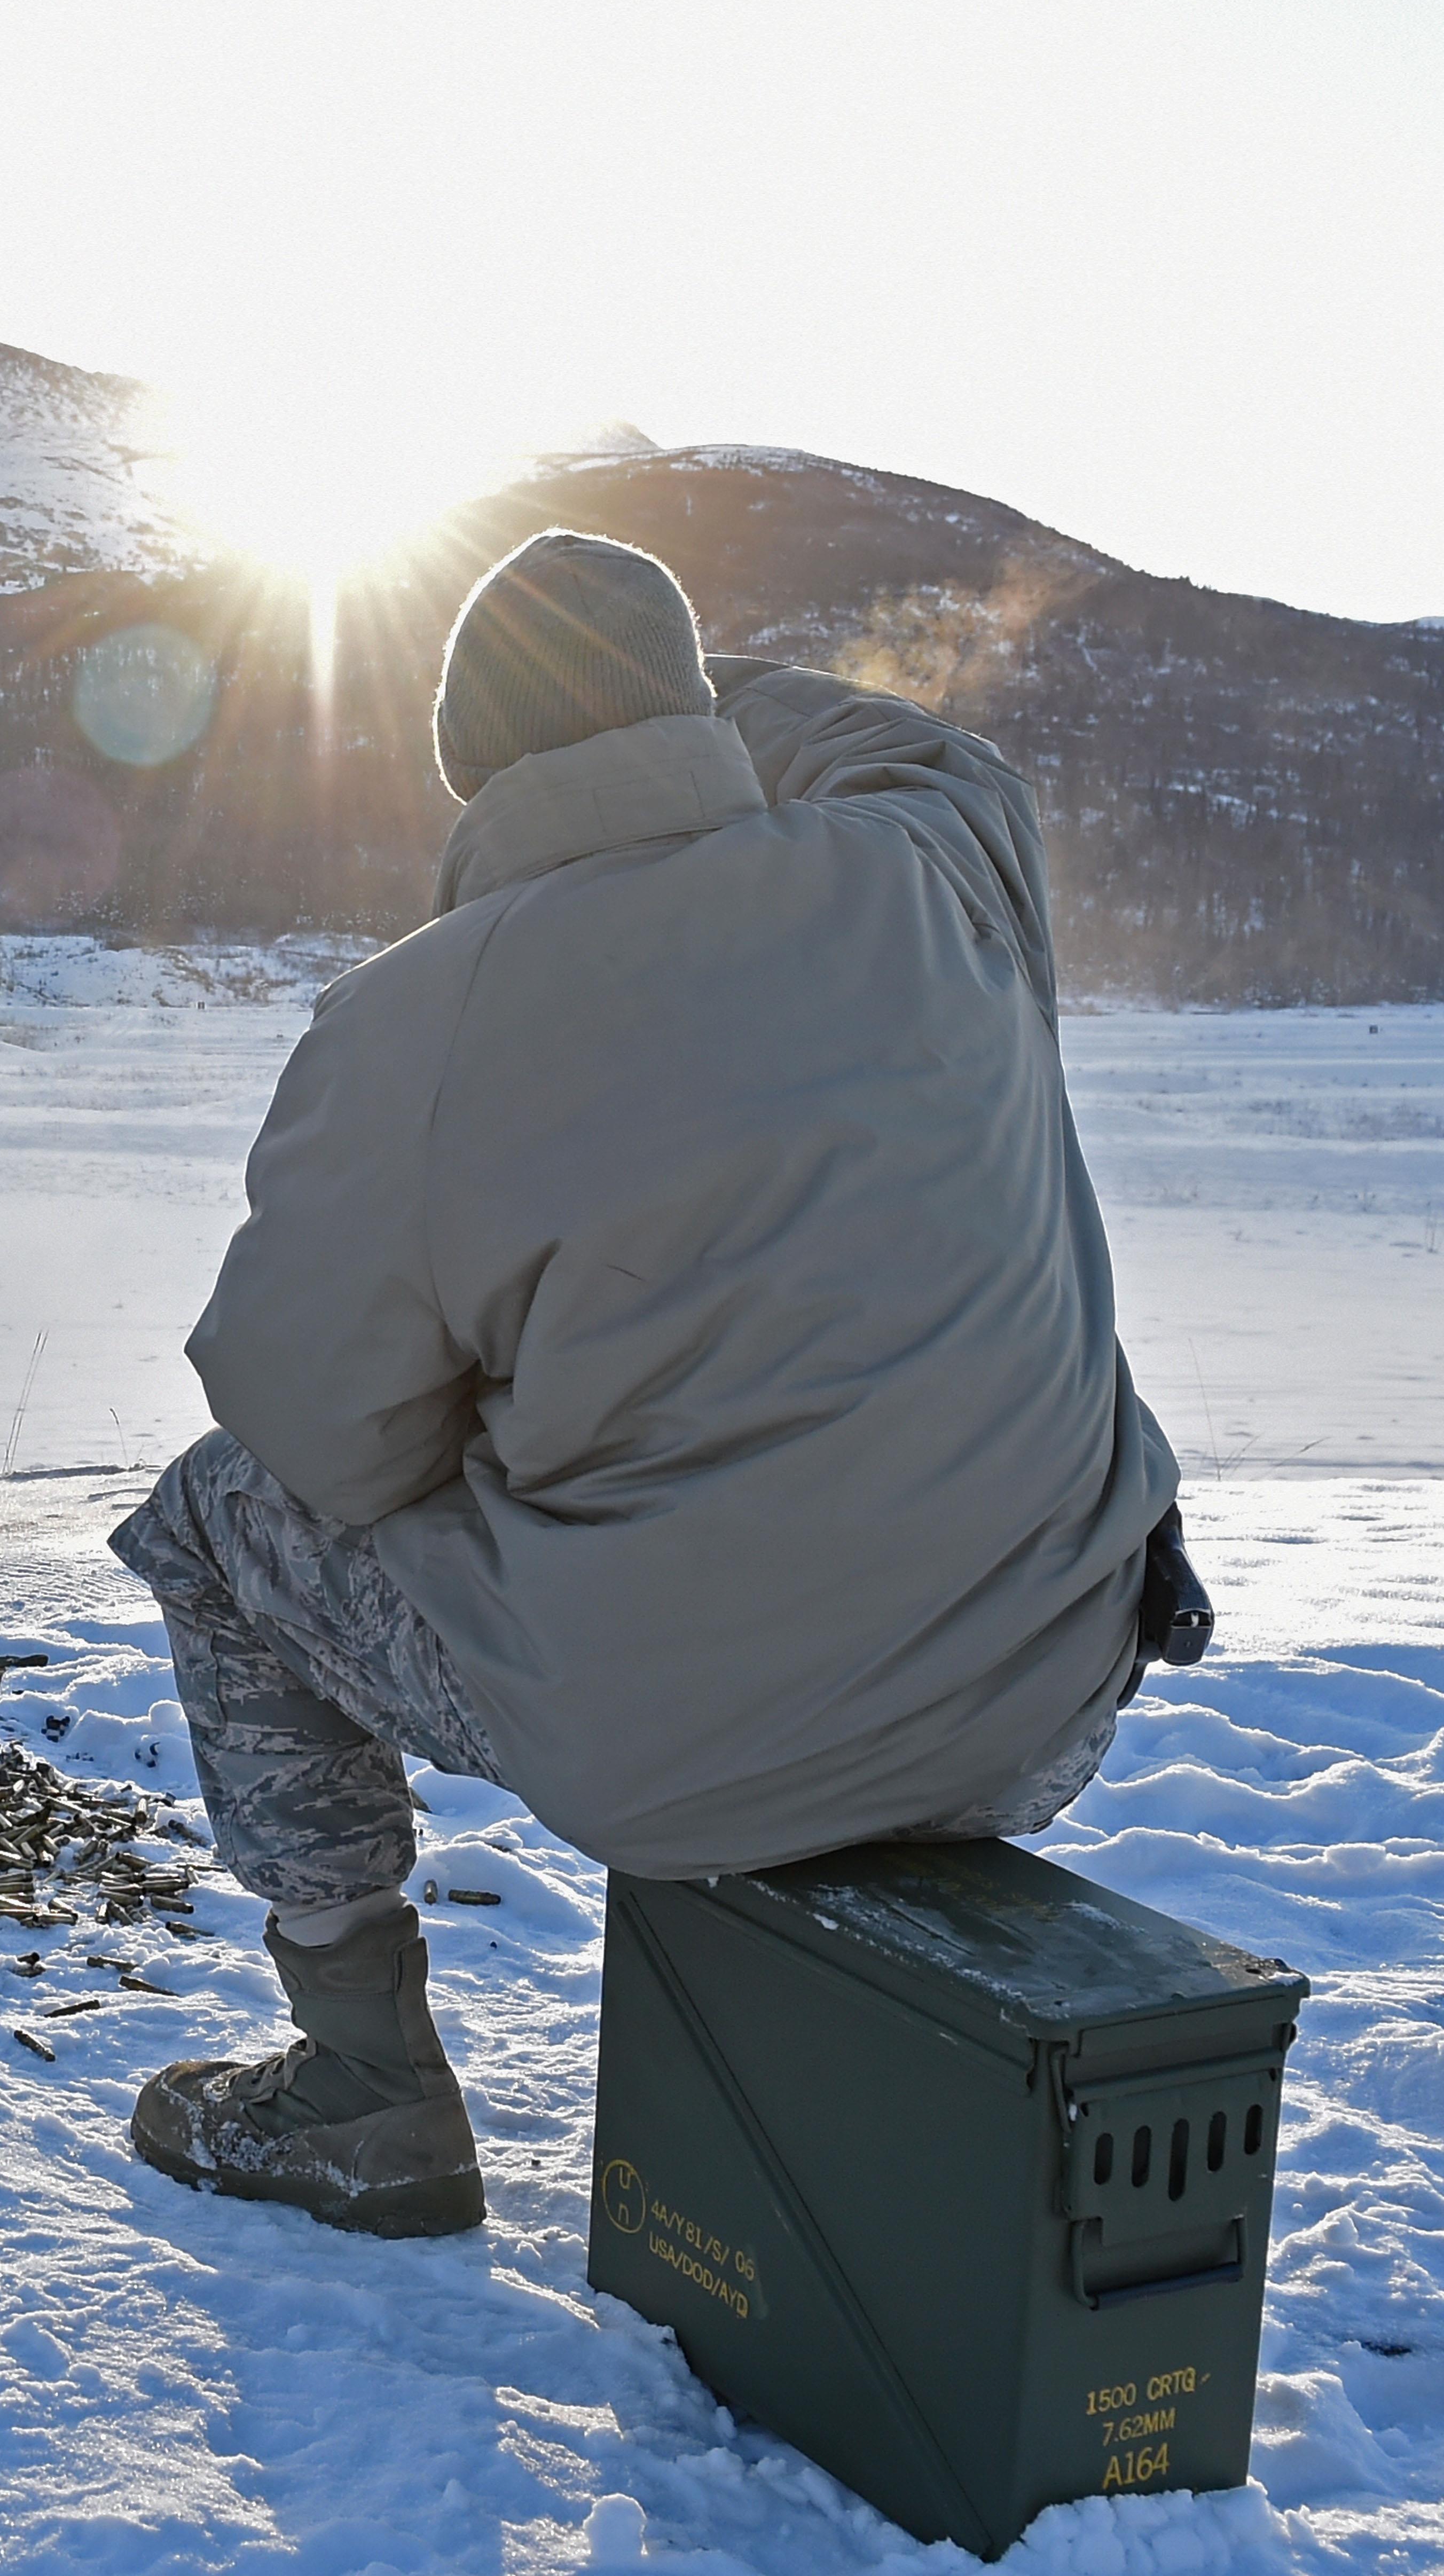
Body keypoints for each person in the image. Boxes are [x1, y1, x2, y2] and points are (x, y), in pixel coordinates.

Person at [113, 531, 1183, 2240]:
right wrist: (667, 701)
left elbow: (321, 1439)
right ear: (700, 711)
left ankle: (361, 2084)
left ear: (471, 765)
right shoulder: (936, 850)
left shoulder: (414, 1017)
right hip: (1047, 1699)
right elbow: (904, 738)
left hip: (687, 1760)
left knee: (215, 1517)